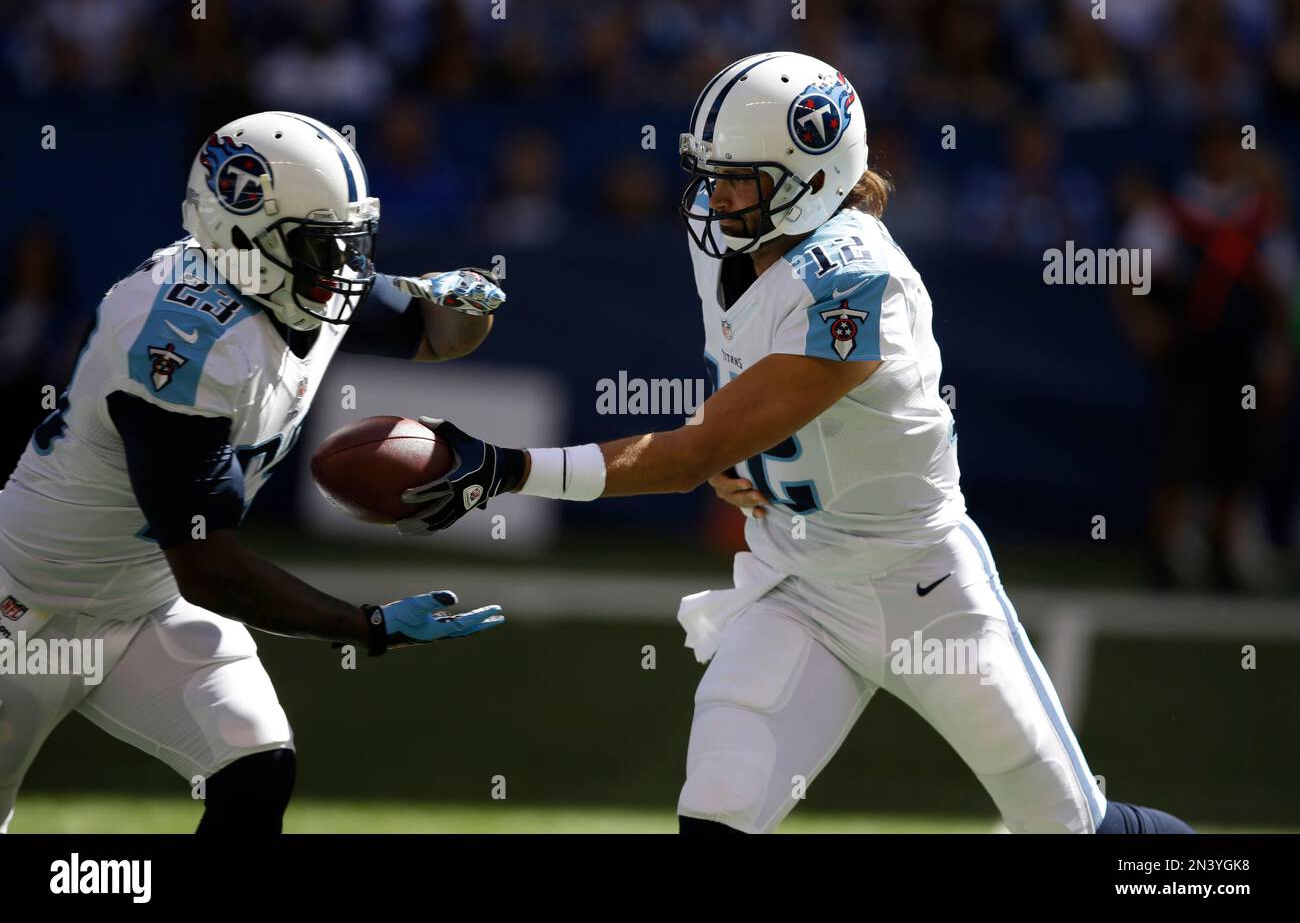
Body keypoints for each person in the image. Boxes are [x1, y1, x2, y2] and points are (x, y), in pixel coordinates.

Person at [394, 53, 1194, 835]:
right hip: (799, 582)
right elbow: (735, 403)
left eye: (741, 177)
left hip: (923, 584)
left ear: (814, 173)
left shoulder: (854, 281)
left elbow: (690, 452)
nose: (718, 195)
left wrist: (504, 470)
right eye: (712, 172)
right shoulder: (731, 243)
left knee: (1070, 827)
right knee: (720, 807)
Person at [0, 112, 506, 834]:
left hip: (150, 607)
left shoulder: (298, 280)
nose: (343, 268)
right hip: (25, 611)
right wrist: (367, 625)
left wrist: (470, 301)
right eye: (321, 245)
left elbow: (437, 334)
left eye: (350, 242)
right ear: (240, 235)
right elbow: (210, 569)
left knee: (257, 766)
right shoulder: (179, 336)